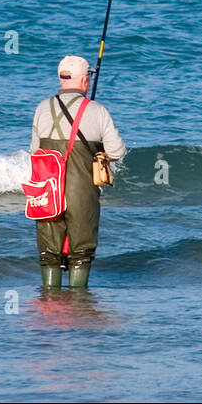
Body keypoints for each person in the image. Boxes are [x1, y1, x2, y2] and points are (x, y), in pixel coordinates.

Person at [30, 55, 126, 288]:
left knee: (49, 253)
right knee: (81, 251)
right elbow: (118, 151)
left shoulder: (42, 108)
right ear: (84, 81)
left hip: (47, 191)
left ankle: (49, 299)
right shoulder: (97, 110)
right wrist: (99, 151)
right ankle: (79, 302)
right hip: (81, 191)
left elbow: (35, 151)